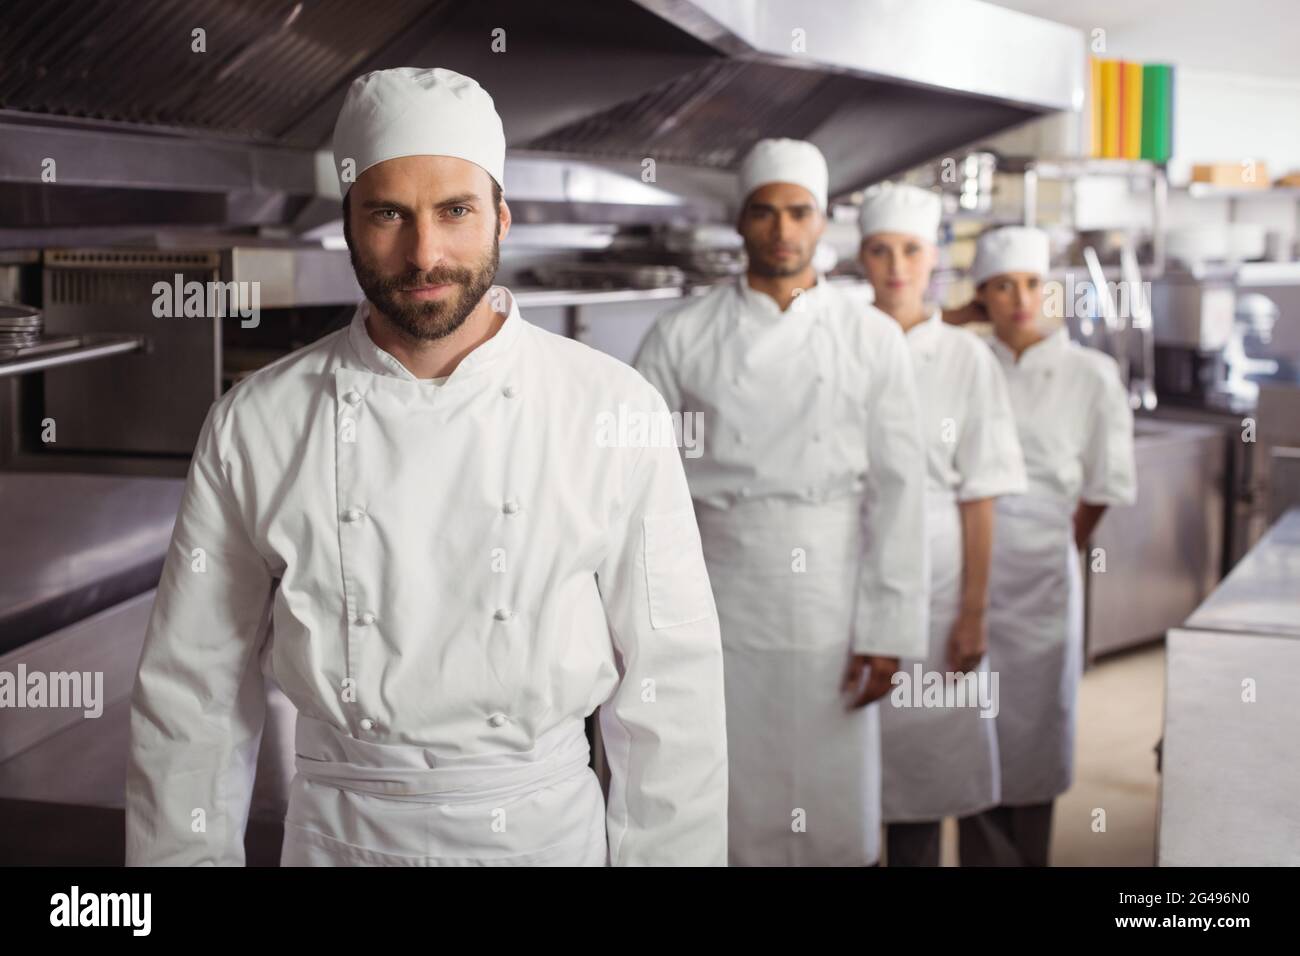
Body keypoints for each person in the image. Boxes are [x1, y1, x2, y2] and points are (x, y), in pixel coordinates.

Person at [125, 67, 729, 867]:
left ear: (501, 218)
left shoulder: (612, 408)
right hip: (341, 839)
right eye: (388, 214)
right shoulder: (256, 423)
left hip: (543, 837)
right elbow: (190, 698)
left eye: (455, 211)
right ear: (346, 222)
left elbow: (672, 691)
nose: (425, 253)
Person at [634, 139, 928, 866]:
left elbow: (900, 487)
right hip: (717, 588)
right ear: (740, 222)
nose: (782, 230)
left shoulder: (871, 337)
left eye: (799, 212)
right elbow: (635, 483)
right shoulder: (681, 335)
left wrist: (889, 626)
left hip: (833, 593)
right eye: (765, 213)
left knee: (830, 800)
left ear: (823, 222)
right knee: (729, 791)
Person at [954, 225, 1137, 866]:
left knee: (1034, 722)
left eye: (1033, 284)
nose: (1020, 299)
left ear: (1052, 291)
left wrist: (1058, 544)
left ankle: (1027, 855)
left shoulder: (1092, 374)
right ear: (982, 298)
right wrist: (954, 318)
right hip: (966, 568)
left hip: (1041, 576)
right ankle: (981, 855)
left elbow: (1105, 482)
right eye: (1001, 287)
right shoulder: (965, 360)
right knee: (968, 724)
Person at [856, 184, 1027, 867]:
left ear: (934, 260)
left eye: (911, 251)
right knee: (844, 767)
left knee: (924, 771)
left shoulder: (965, 359)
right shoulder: (839, 340)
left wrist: (974, 613)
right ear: (861, 258)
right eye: (880, 250)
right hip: (850, 573)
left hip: (937, 578)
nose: (897, 266)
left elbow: (980, 492)